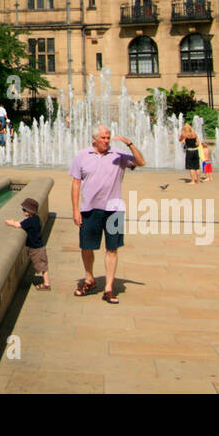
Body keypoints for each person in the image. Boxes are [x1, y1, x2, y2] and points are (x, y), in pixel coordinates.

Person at [71, 127, 145, 304]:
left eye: (108, 138)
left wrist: (129, 144)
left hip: (115, 209)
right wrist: (75, 210)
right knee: (86, 246)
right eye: (103, 138)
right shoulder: (82, 155)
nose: (106, 141)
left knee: (112, 248)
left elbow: (141, 162)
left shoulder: (118, 154)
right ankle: (89, 278)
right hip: (89, 209)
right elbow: (75, 183)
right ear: (94, 139)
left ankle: (109, 288)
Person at [6, 197, 49, 290]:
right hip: (39, 246)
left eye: (24, 210)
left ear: (30, 211)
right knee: (42, 265)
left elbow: (19, 225)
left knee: (42, 266)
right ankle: (46, 283)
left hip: (36, 249)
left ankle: (46, 285)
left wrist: (11, 223)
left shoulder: (30, 221)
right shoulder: (36, 218)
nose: (23, 211)